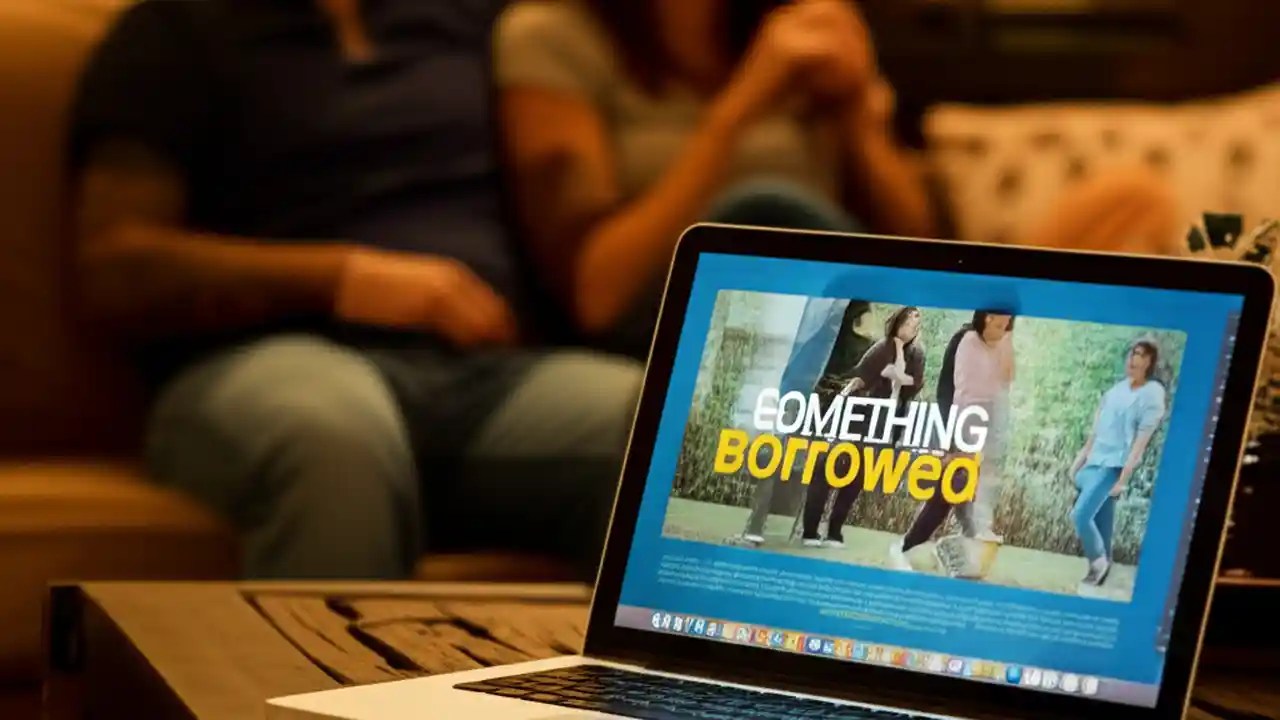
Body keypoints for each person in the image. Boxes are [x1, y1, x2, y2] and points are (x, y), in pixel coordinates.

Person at [70, 0, 642, 580]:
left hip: (486, 378)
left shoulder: (474, 21)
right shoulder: (173, 31)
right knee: (331, 438)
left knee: (670, 430)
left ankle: (651, 674)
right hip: (273, 365)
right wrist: (348, 279)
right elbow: (117, 267)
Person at [496, 0, 937, 357]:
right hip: (661, 322)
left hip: (822, 307)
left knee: (785, 220)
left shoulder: (801, 25)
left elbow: (925, 249)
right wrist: (736, 112)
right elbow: (597, 295)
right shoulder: (550, 34)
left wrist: (859, 114)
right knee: (758, 210)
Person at [732, 300, 874, 547]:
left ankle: (759, 528)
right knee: (806, 464)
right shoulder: (853, 342)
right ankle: (795, 529)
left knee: (783, 457)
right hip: (819, 403)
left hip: (807, 399)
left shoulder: (829, 333)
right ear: (858, 317)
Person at [891, 311, 1014, 576]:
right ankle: (907, 547)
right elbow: (948, 390)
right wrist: (952, 440)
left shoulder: (997, 346)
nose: (1001, 327)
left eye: (1006, 324)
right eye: (997, 321)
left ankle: (964, 555)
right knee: (953, 490)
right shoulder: (964, 340)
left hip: (976, 432)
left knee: (958, 493)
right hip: (955, 429)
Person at [801, 306, 925, 548]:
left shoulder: (916, 354)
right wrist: (894, 366)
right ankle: (810, 530)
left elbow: (914, 382)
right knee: (830, 469)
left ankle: (834, 532)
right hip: (859, 417)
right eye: (905, 325)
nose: (908, 331)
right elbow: (862, 377)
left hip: (884, 424)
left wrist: (899, 371)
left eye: (913, 327)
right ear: (896, 323)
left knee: (856, 480)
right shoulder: (883, 346)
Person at [1068, 339, 1167, 590]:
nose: (1132, 359)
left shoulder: (1152, 394)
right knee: (1102, 518)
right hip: (1093, 462)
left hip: (1113, 465)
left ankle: (1098, 562)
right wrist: (1078, 460)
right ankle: (1104, 567)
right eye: (1131, 354)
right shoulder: (1115, 391)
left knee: (1080, 515)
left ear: (1149, 362)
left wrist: (1122, 479)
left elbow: (1140, 443)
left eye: (1140, 355)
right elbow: (1096, 432)